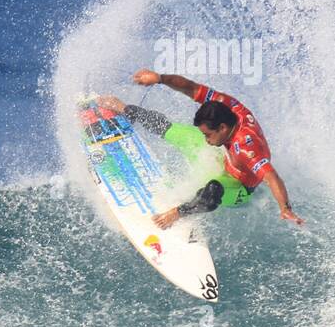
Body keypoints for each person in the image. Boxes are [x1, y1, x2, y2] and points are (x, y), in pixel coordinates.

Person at [96, 69, 304, 229]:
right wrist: (159, 78)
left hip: (239, 185)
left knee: (212, 190)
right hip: (225, 154)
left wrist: (285, 209)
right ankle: (122, 108)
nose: (205, 140)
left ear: (222, 128)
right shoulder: (228, 106)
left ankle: (176, 214)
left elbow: (271, 176)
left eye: (208, 135)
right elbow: (191, 88)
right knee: (168, 129)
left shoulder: (247, 149)